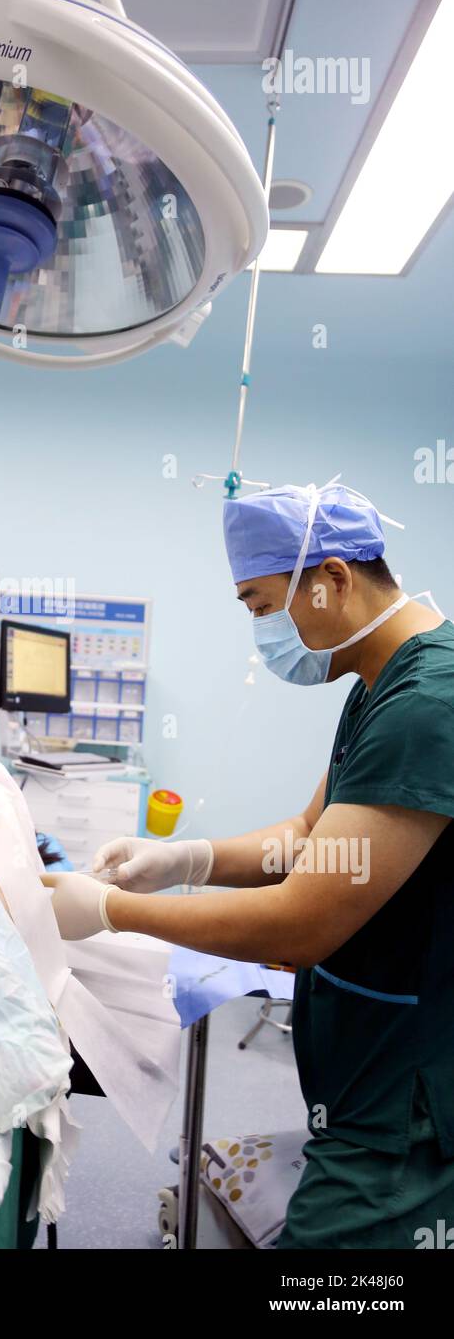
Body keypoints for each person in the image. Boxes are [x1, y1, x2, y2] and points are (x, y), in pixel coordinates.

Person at [43, 479, 454, 1249]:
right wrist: (182, 860)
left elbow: (299, 927)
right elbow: (308, 837)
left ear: (332, 579)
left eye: (262, 606)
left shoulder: (431, 700)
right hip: (369, 1084)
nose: (261, 631)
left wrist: (108, 912)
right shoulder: (378, 685)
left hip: (410, 1107)